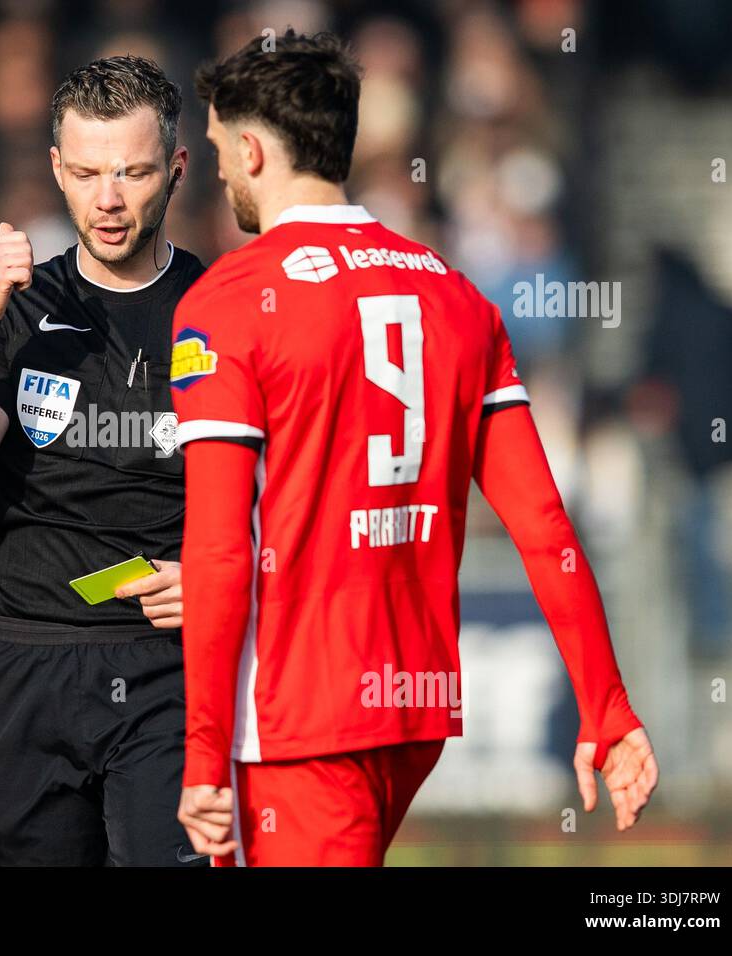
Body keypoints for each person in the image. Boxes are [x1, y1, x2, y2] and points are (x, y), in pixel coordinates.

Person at [174, 30, 659, 866]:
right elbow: (545, 526)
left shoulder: (229, 300)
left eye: (218, 150)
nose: (217, 171)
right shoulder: (454, 293)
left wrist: (204, 752)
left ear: (251, 149)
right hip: (413, 706)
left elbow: (219, 549)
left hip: (300, 717)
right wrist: (605, 704)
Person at [0, 56, 207, 866]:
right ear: (56, 169)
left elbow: (290, 489)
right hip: (25, 663)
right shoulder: (15, 307)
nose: (109, 198)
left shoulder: (223, 311)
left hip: (167, 668)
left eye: (133, 172)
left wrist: (223, 574)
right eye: (85, 173)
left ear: (176, 170)